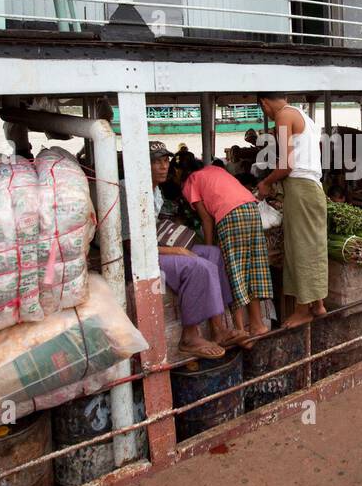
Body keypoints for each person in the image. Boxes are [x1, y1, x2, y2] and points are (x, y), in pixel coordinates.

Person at [123, 142, 247, 358]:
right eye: (155, 162)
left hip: (153, 248)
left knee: (213, 255)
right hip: (138, 258)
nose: (163, 167)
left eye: (164, 161)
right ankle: (189, 337)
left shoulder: (156, 192)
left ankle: (217, 329)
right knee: (197, 266)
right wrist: (177, 251)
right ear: (141, 164)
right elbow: (130, 246)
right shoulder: (128, 191)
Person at [178, 155, 274, 340]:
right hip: (251, 209)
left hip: (230, 215)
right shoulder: (215, 170)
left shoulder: (191, 181)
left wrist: (208, 249)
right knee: (253, 267)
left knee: (234, 270)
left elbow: (206, 219)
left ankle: (241, 330)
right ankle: (257, 324)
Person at [254, 93, 328, 326]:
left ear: (264, 103)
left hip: (301, 187)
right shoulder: (302, 115)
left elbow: (286, 164)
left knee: (301, 247)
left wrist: (266, 182)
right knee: (312, 243)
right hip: (311, 187)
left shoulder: (284, 116)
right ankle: (317, 304)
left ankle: (302, 309)